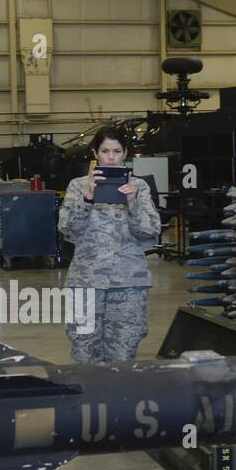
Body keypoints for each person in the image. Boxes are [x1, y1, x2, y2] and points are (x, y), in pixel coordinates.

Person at [58, 128, 160, 362]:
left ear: (125, 153)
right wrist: (88, 199)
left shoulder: (139, 187)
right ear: (96, 153)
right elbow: (68, 230)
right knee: (84, 350)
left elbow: (149, 232)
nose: (111, 157)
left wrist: (132, 203)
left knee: (123, 350)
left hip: (129, 283)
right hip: (87, 281)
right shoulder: (78, 186)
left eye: (116, 151)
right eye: (105, 151)